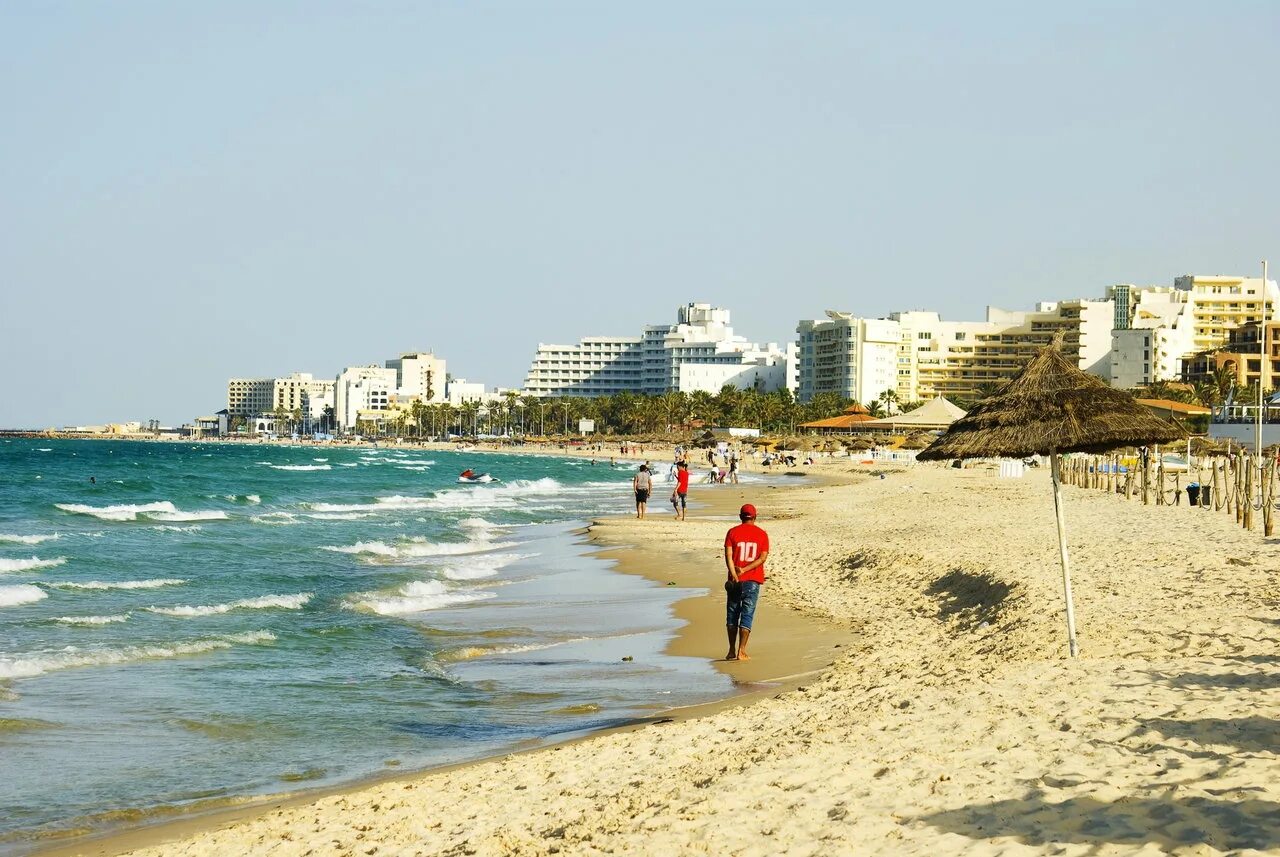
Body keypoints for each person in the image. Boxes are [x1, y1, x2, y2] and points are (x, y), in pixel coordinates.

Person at [723, 503, 769, 661]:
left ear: (741, 517)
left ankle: (730, 650)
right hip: (753, 580)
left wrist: (734, 572)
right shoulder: (762, 534)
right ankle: (741, 651)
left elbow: (728, 556)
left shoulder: (732, 532)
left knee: (732, 614)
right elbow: (762, 558)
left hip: (735, 581)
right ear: (755, 517)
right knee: (747, 615)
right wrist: (746, 569)